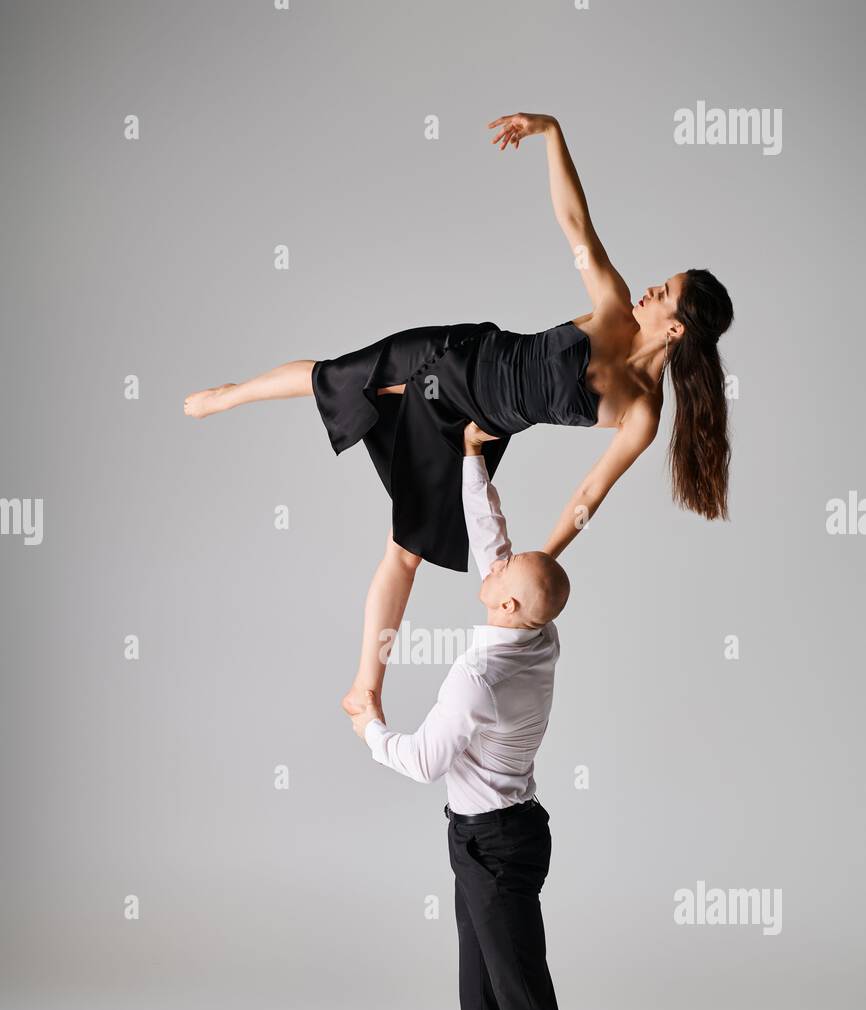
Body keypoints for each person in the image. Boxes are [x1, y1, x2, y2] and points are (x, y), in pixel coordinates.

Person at [184, 112, 734, 718]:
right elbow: (576, 223)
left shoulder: (642, 413)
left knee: (406, 549)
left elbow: (589, 491)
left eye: (663, 293)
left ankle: (363, 688)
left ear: (676, 329)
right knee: (338, 375)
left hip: (470, 432)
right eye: (658, 282)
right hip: (454, 355)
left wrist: (535, 563)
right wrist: (551, 133)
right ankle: (228, 395)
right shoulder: (613, 309)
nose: (649, 290)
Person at [349, 421, 576, 1010]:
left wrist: (366, 721)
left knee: (525, 1005)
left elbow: (417, 760)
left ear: (507, 600)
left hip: (496, 844)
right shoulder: (536, 631)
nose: (498, 563)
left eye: (503, 573)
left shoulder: (480, 675)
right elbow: (495, 540)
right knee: (479, 994)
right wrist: (473, 456)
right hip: (489, 835)